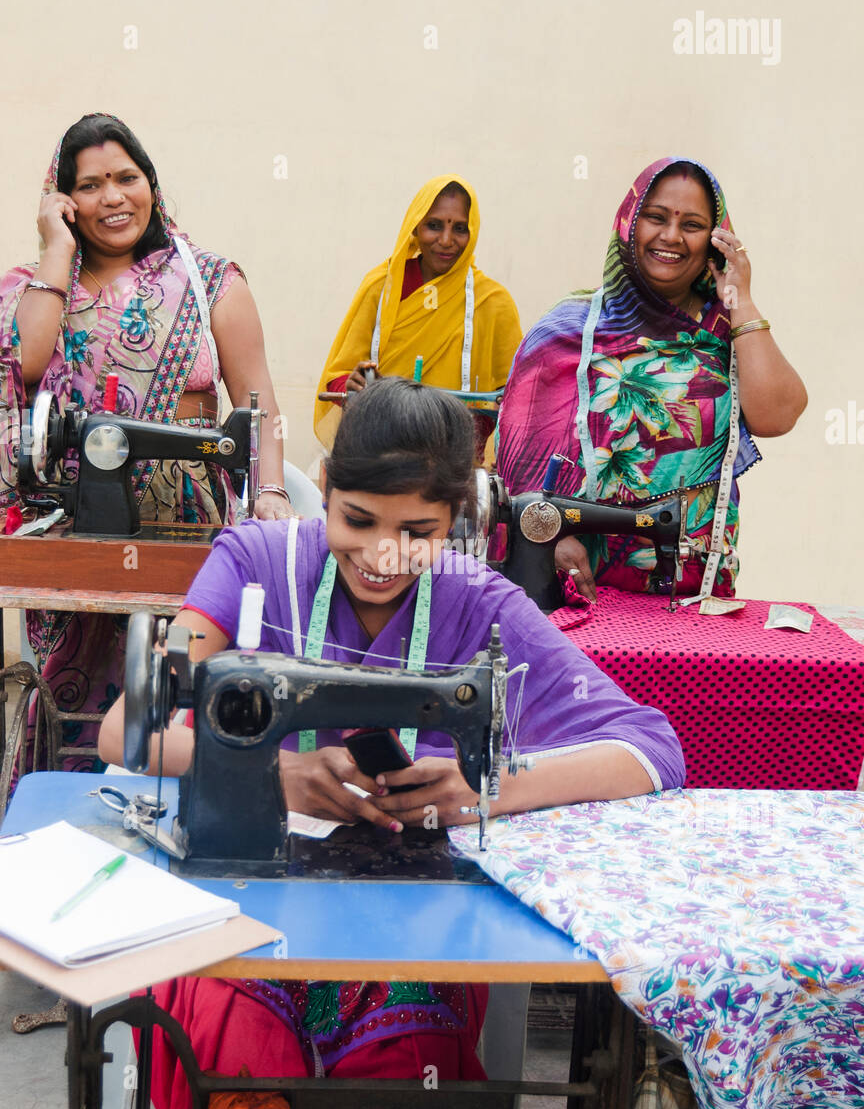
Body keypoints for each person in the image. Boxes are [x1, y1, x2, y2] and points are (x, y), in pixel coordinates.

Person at [99, 378, 686, 1109]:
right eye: (358, 520)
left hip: (406, 925)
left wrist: (483, 787)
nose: (382, 556)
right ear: (326, 494)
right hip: (240, 901)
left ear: (459, 524)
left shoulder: (480, 606)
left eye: (419, 533)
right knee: (237, 1078)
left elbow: (652, 752)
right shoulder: (254, 561)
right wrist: (271, 772)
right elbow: (127, 730)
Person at [0, 113, 292, 767]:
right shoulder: (34, 286)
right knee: (73, 713)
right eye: (91, 184)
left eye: (126, 178)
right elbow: (23, 363)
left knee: (178, 693)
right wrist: (56, 249)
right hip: (72, 524)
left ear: (151, 186)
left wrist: (269, 490)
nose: (113, 197)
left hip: (191, 533)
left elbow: (261, 407)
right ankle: (66, 816)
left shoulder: (213, 280)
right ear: (62, 198)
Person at [496, 157, 807, 601]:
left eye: (693, 224)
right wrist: (546, 537)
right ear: (628, 224)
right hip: (577, 582)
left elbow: (778, 415)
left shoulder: (727, 331)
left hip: (694, 592)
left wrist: (742, 297)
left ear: (716, 240)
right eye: (656, 218)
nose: (672, 237)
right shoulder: (569, 330)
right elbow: (521, 457)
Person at [313, 174, 522, 457]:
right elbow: (336, 378)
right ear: (415, 228)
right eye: (433, 226)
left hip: (454, 468)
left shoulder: (493, 302)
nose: (446, 241)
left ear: (472, 233)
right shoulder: (381, 289)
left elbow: (513, 396)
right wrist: (356, 385)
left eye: (460, 228)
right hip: (380, 458)